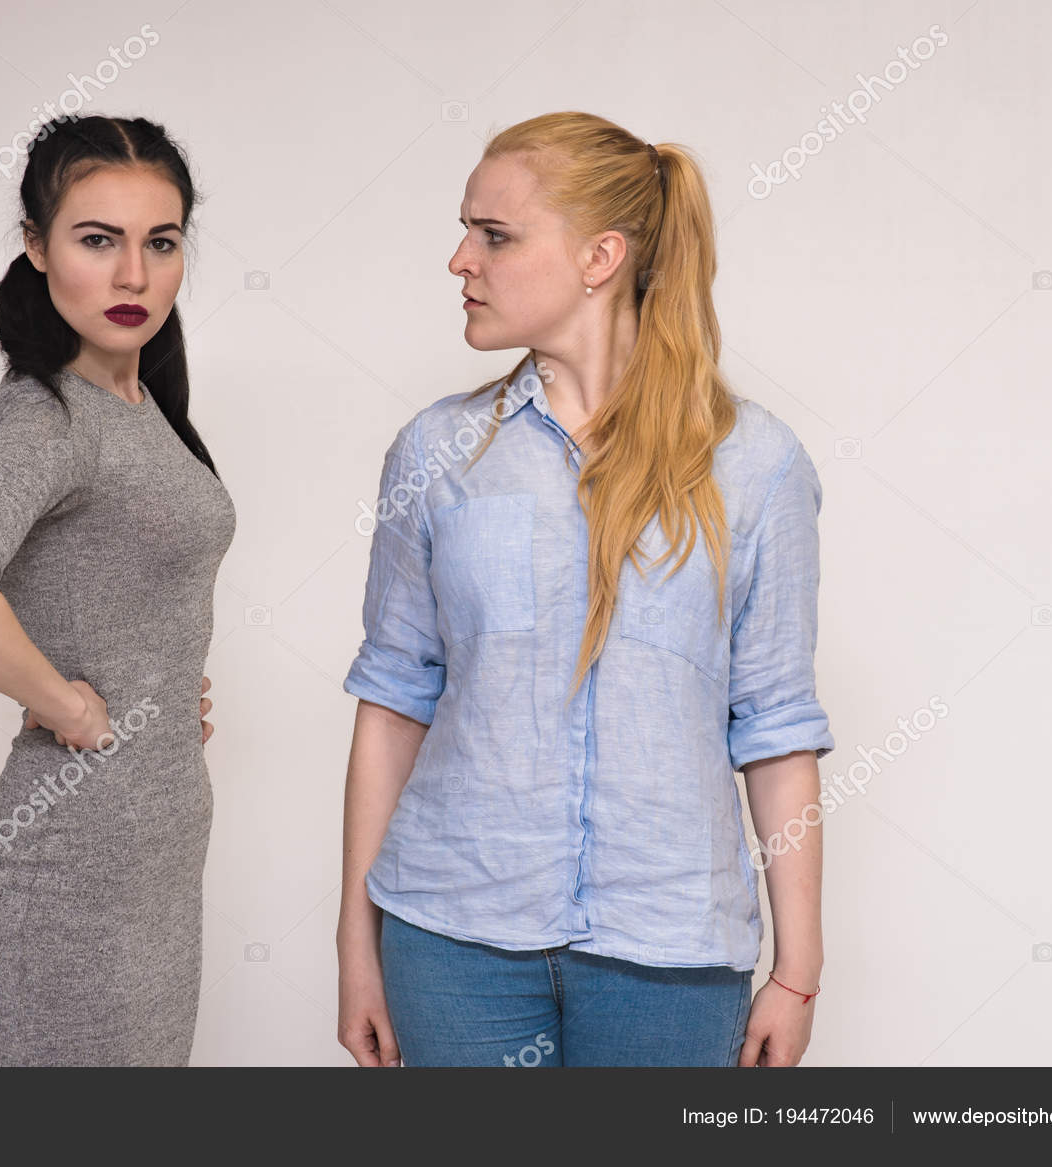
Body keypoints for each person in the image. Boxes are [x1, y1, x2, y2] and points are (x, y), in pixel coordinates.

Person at [337, 111, 835, 1067]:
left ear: (600, 256)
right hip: (450, 940)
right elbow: (393, 700)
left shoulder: (757, 465)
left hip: (673, 954)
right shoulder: (437, 452)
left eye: (494, 235)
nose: (459, 261)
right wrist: (357, 945)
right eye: (465, 231)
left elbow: (774, 724)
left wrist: (797, 968)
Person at [0, 115, 232, 1066]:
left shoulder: (143, 406)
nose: (134, 276)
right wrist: (73, 708)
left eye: (160, 243)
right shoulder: (45, 412)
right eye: (98, 240)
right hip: (65, 880)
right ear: (37, 248)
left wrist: (160, 686)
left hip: (151, 863)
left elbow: (127, 592)